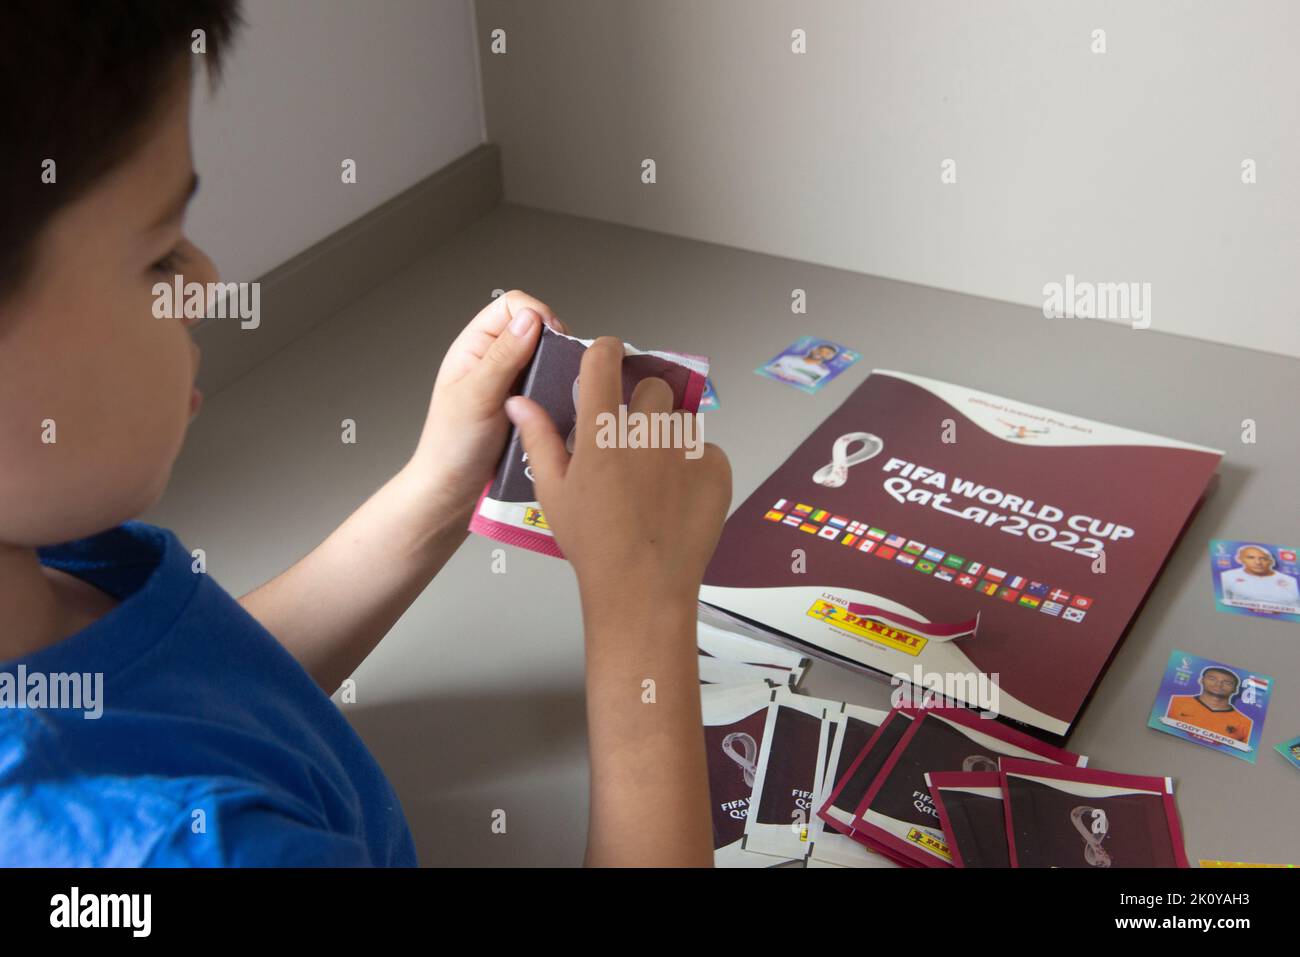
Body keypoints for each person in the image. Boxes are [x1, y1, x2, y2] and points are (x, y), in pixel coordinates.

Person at [0, 2, 731, 867]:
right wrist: (642, 607)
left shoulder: (50, 572)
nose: (204, 281)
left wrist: (440, 487)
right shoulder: (192, 849)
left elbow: (203, 685)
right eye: (159, 254)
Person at [1165, 667, 1253, 745]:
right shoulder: (1174, 702)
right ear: (1201, 680)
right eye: (1212, 679)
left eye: (1227, 683)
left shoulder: (1245, 724)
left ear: (1235, 689)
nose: (1218, 685)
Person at [1220, 545, 1300, 612]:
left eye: (1263, 558)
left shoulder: (1291, 581)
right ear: (1239, 559)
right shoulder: (1227, 576)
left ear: (1271, 561)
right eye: (1250, 558)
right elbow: (1224, 604)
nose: (1258, 562)